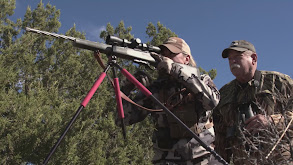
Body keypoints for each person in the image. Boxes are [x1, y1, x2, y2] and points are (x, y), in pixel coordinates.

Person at [119, 37, 220, 164]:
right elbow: (123, 120)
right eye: (163, 54)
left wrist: (175, 69)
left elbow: (211, 101)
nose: (165, 58)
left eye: (171, 54)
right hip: (166, 159)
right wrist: (126, 88)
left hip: (203, 157)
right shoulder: (155, 89)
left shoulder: (202, 80)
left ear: (186, 59)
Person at [213, 40, 293, 164]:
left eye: (238, 57)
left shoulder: (278, 82)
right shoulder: (223, 94)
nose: (232, 61)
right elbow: (220, 136)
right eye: (230, 59)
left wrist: (272, 121)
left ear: (253, 58)